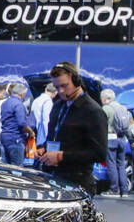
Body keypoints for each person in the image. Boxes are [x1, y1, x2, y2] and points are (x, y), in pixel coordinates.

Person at [39, 62, 107, 195]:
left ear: (76, 81)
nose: (61, 91)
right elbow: (54, 137)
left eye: (64, 85)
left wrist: (61, 156)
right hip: (53, 178)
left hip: (77, 183)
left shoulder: (93, 111)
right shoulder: (58, 105)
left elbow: (99, 153)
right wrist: (44, 149)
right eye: (57, 87)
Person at [100, 89, 131, 197]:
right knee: (121, 165)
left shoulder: (106, 108)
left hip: (111, 139)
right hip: (122, 139)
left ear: (105, 98)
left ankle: (114, 190)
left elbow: (100, 125)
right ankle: (124, 191)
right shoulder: (122, 107)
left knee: (111, 164)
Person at [0, 83, 34, 166]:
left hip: (4, 136)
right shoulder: (18, 104)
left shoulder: (4, 103)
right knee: (17, 168)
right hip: (15, 138)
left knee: (6, 166)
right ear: (22, 94)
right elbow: (21, 123)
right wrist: (31, 132)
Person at [31, 83, 55, 149]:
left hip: (36, 132)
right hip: (43, 134)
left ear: (45, 89)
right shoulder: (48, 102)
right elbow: (46, 120)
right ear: (55, 93)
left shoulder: (35, 100)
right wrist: (49, 136)